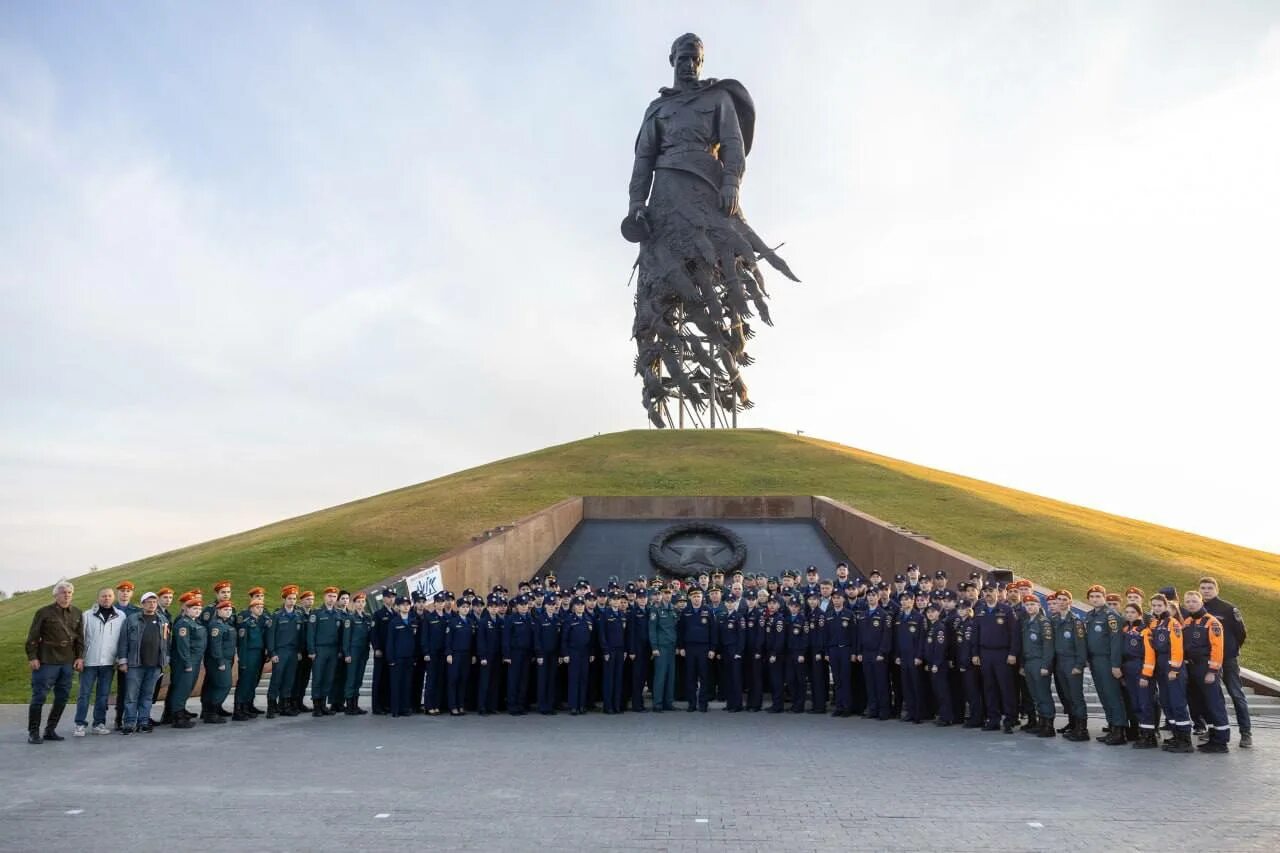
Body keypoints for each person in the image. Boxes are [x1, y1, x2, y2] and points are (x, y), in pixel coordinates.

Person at [25, 581, 85, 744]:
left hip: (67, 661)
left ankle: (50, 730)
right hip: (46, 660)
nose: (67, 595)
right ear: (55, 595)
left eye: (69, 593)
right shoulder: (43, 612)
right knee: (39, 697)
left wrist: (79, 657)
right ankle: (33, 732)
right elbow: (32, 637)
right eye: (63, 592)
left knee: (62, 697)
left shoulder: (77, 613)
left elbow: (80, 638)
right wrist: (32, 657)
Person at [1198, 577, 1251, 748]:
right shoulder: (1197, 610)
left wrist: (1231, 650)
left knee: (1236, 695)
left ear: (1216, 590)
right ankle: (1214, 729)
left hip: (1227, 660)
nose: (1206, 591)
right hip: (1207, 661)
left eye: (1209, 588)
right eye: (1203, 588)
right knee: (1210, 697)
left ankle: (1246, 733)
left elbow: (1241, 633)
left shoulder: (1228, 609)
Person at [1143, 593, 1194, 754]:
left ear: (1166, 606)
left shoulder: (1173, 623)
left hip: (1172, 665)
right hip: (1160, 665)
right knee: (1167, 702)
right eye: (1154, 606)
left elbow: (1177, 648)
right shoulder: (1155, 624)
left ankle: (1185, 740)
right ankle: (1176, 734)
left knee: (1177, 702)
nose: (1157, 608)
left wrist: (1174, 669)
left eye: (1160, 605)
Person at [1182, 590, 1230, 752]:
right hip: (1191, 668)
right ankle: (1212, 736)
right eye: (1187, 601)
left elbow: (1217, 649)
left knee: (1214, 703)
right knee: (1201, 704)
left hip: (1205, 667)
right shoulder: (1187, 622)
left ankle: (1221, 741)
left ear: (1201, 602)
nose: (1190, 604)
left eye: (1194, 601)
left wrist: (1212, 671)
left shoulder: (1212, 622)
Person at [115, 591, 169, 734]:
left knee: (147, 695)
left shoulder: (163, 620)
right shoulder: (132, 619)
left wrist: (165, 660)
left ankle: (143, 722)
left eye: (154, 602)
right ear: (142, 604)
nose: (152, 604)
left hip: (154, 665)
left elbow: (167, 642)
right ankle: (129, 723)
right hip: (135, 664)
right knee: (131, 695)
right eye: (148, 602)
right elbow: (123, 641)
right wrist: (122, 661)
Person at [75, 587, 125, 736]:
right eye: (103, 596)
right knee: (84, 694)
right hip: (89, 662)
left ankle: (99, 723)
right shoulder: (87, 615)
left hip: (108, 663)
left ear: (113, 598)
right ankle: (80, 724)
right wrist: (80, 658)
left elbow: (122, 640)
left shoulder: (121, 616)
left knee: (103, 695)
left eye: (109, 596)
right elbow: (80, 638)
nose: (106, 598)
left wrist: (120, 659)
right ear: (98, 598)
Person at [972, 582, 1020, 733]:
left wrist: (1013, 653)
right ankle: (993, 719)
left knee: (1006, 688)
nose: (987, 593)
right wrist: (975, 653)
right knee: (989, 687)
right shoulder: (979, 611)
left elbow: (1014, 634)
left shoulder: (1006, 610)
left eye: (991, 591)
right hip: (985, 654)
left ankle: (1010, 719)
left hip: (1002, 654)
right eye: (985, 591)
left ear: (998, 593)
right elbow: (975, 635)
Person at [1083, 585, 1127, 745]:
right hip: (1095, 660)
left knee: (1112, 695)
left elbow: (1116, 642)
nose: (1095, 599)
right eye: (1092, 596)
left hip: (1107, 660)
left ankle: (1120, 730)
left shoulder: (1111, 616)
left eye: (1098, 596)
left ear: (1104, 597)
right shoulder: (1090, 615)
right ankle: (1111, 726)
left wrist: (1116, 665)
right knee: (1103, 694)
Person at [1050, 590, 1090, 742]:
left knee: (1076, 696)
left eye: (1064, 599)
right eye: (1058, 599)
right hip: (1059, 662)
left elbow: (1081, 646)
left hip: (1072, 662)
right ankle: (1074, 725)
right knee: (1067, 696)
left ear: (1070, 602)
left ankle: (1082, 729)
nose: (1061, 601)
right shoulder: (1054, 620)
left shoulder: (1076, 622)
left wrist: (1079, 665)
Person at [1120, 603, 1158, 748]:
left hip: (1140, 669)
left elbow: (1149, 655)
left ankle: (1149, 736)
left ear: (1139, 614)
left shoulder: (1144, 631)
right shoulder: (1126, 629)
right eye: (1127, 612)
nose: (1129, 615)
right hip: (1129, 669)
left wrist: (1145, 675)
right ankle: (1142, 733)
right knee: (1135, 704)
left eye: (1133, 612)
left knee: (1145, 703)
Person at [167, 593, 207, 729]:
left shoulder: (193, 622)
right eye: (194, 608)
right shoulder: (183, 623)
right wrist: (187, 663)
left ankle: (181, 711)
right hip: (185, 662)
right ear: (186, 609)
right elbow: (183, 646)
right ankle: (177, 717)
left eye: (199, 609)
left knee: (187, 687)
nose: (197, 611)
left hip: (195, 661)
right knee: (181, 688)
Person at [1018, 593, 1056, 738]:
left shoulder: (1044, 622)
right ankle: (1041, 723)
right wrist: (1022, 665)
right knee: (1035, 695)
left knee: (1043, 694)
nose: (1029, 607)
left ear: (1039, 606)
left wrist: (1046, 665)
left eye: (1032, 604)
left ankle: (1049, 726)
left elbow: (1048, 646)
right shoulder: (1027, 622)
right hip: (1028, 663)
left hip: (1040, 662)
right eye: (1027, 605)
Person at [678, 587, 718, 712]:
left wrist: (712, 648)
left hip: (704, 648)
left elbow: (714, 631)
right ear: (690, 598)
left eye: (698, 596)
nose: (696, 599)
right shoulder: (685, 611)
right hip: (689, 648)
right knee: (690, 677)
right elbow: (680, 631)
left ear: (702, 598)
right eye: (694, 596)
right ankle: (691, 703)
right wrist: (681, 647)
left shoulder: (708, 610)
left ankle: (703, 703)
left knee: (704, 676)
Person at [267, 585, 304, 718]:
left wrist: (299, 651)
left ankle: (285, 706)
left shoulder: (298, 615)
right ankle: (271, 707)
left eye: (294, 599)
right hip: (280, 651)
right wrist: (272, 653)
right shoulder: (277, 615)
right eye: (289, 598)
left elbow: (301, 636)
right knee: (276, 679)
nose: (292, 601)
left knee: (289, 680)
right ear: (284, 599)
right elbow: (271, 636)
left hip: (293, 652)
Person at [232, 589, 269, 721]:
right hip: (248, 654)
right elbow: (242, 643)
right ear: (251, 608)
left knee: (253, 681)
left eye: (261, 607)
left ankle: (247, 706)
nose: (260, 609)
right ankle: (238, 709)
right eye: (257, 607)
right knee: (244, 682)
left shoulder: (260, 621)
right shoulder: (245, 623)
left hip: (258, 654)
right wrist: (242, 660)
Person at [306, 587, 342, 717]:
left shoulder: (338, 614)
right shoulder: (317, 613)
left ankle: (323, 704)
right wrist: (311, 650)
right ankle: (316, 705)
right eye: (329, 596)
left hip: (333, 650)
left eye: (334, 596)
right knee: (318, 677)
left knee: (328, 678)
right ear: (324, 597)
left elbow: (340, 635)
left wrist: (339, 650)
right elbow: (310, 633)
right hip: (320, 649)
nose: (331, 599)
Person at [202, 599, 236, 723]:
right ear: (218, 611)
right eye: (225, 610)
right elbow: (215, 645)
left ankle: (211, 711)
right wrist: (220, 662)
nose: (228, 612)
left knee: (215, 685)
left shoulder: (227, 623)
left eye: (230, 610)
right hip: (219, 661)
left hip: (226, 659)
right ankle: (212, 712)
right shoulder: (216, 625)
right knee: (224, 685)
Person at [503, 594, 535, 715]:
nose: (524, 607)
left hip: (526, 653)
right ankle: (512, 705)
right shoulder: (511, 619)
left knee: (524, 680)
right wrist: (506, 655)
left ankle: (521, 705)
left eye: (526, 604)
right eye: (521, 605)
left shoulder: (530, 618)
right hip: (514, 653)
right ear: (517, 606)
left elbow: (533, 638)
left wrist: (533, 654)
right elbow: (506, 638)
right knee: (513, 680)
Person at [386, 596, 418, 717]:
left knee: (407, 683)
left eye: (408, 604)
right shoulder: (394, 622)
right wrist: (391, 658)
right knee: (396, 684)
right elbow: (390, 642)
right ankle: (396, 709)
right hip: (397, 657)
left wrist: (414, 657)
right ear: (398, 607)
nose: (406, 607)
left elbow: (415, 640)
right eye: (403, 605)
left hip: (409, 657)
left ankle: (405, 708)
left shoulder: (413, 620)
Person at [922, 601, 953, 726]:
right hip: (932, 664)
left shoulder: (940, 628)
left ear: (938, 613)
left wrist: (936, 664)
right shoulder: (932, 627)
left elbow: (940, 648)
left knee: (942, 691)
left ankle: (947, 717)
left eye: (933, 612)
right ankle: (942, 714)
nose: (930, 614)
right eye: (928, 612)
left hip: (938, 665)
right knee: (937, 691)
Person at [648, 586, 678, 712]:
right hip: (661, 647)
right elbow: (652, 630)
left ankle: (668, 703)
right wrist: (654, 647)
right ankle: (658, 704)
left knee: (671, 676)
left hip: (671, 647)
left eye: (669, 593)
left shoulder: (673, 609)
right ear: (661, 594)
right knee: (660, 676)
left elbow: (676, 629)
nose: (667, 595)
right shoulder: (656, 609)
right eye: (665, 593)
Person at [343, 592, 373, 715]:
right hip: (353, 651)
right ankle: (349, 705)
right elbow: (346, 638)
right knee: (351, 679)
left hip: (363, 652)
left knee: (359, 679)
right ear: (354, 604)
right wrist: (347, 653)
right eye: (358, 602)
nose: (360, 604)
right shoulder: (350, 618)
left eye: (362, 602)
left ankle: (355, 704)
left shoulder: (367, 618)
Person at [445, 597, 477, 716]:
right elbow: (448, 640)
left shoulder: (470, 622)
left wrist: (473, 654)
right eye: (463, 607)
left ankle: (461, 705)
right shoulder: (452, 622)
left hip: (467, 654)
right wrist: (448, 653)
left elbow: (473, 641)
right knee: (454, 680)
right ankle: (453, 706)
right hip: (455, 654)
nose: (465, 609)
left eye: (467, 607)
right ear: (458, 608)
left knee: (463, 680)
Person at [370, 587, 396, 715]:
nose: (391, 599)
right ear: (384, 598)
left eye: (393, 597)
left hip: (391, 652)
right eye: (389, 597)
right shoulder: (378, 614)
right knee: (379, 679)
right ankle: (377, 706)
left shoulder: (395, 614)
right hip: (381, 651)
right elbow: (374, 633)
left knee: (388, 679)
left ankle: (386, 704)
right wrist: (377, 648)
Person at [534, 592, 562, 715]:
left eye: (553, 605)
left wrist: (560, 654)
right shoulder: (540, 619)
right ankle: (542, 706)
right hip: (543, 655)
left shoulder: (557, 619)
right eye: (549, 605)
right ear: (545, 606)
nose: (551, 607)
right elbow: (537, 638)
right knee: (542, 680)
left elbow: (560, 638)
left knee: (552, 680)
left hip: (554, 654)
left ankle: (550, 706)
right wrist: (539, 654)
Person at [292, 590, 315, 712]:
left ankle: (300, 701)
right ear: (302, 601)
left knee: (305, 677)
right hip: (299, 651)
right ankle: (293, 702)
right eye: (307, 599)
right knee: (297, 677)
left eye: (311, 599)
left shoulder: (313, 614)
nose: (310, 602)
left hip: (309, 651)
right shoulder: (298, 613)